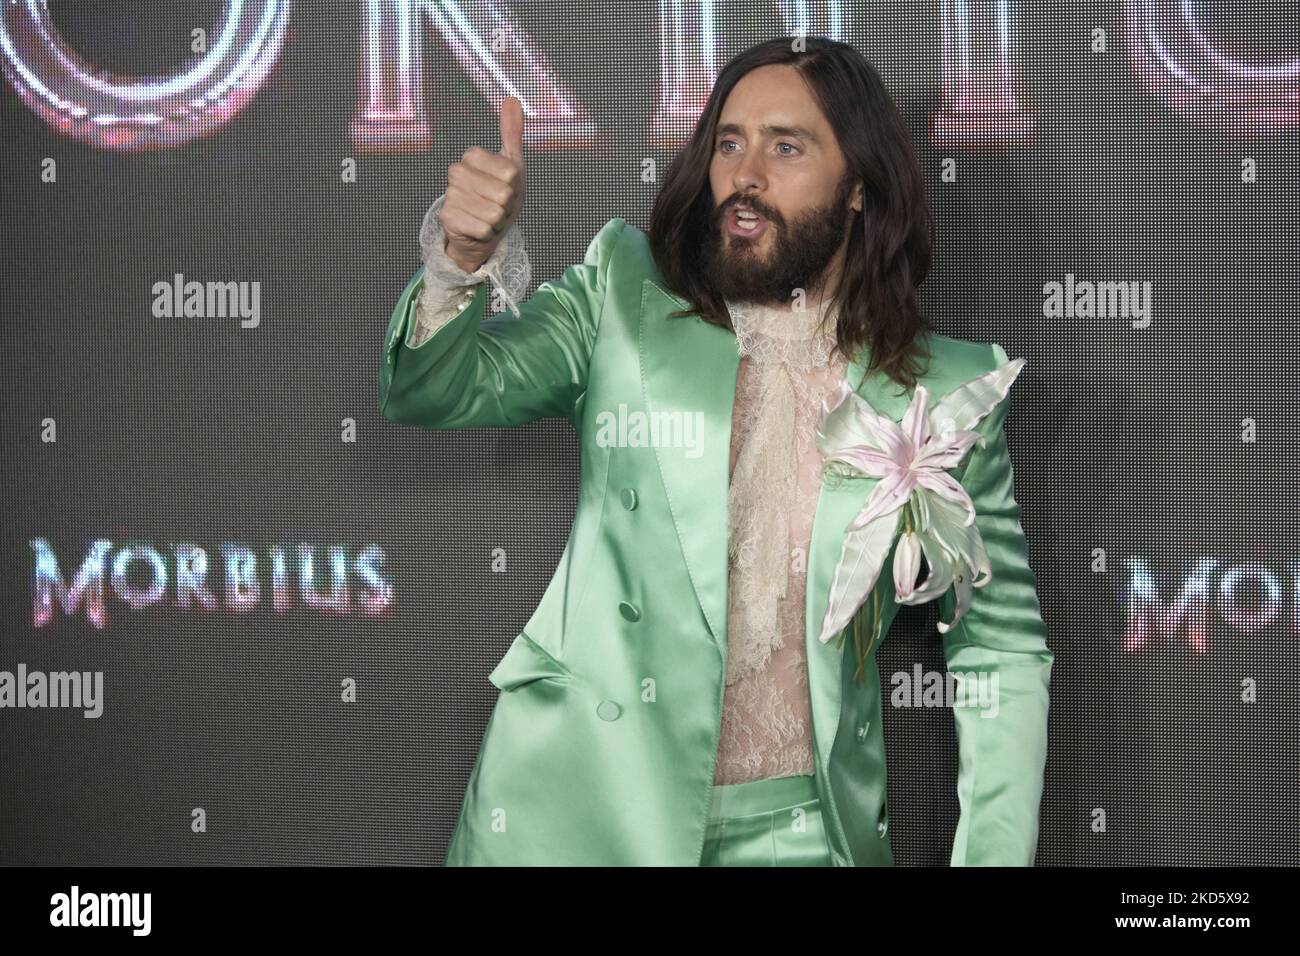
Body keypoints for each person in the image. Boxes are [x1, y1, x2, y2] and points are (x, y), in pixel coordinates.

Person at [379, 36, 1053, 866]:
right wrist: (459, 263)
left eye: (786, 146)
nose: (745, 173)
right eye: (729, 142)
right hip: (576, 813)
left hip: (805, 833)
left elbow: (998, 647)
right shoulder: (621, 294)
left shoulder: (945, 392)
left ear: (858, 190)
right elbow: (431, 391)